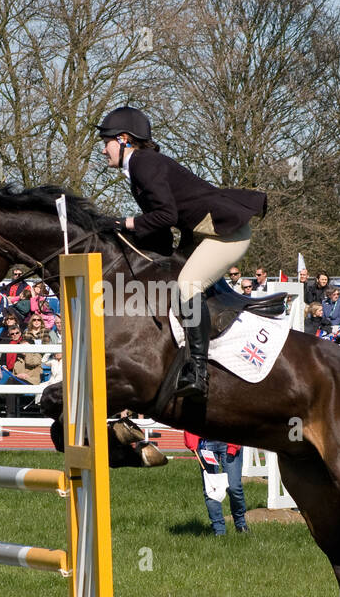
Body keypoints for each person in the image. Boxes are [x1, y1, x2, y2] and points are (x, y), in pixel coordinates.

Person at [98, 106, 266, 399]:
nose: (103, 151)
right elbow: (160, 229)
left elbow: (166, 216)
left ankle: (198, 371)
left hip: (225, 233)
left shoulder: (142, 164)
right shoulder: (139, 166)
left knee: (188, 286)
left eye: (106, 141)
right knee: (168, 274)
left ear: (124, 139)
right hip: (202, 233)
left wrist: (121, 222)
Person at [183, 431, 248, 536]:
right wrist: (191, 439)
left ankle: (240, 523)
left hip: (230, 441)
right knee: (211, 488)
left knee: (234, 487)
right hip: (206, 443)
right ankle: (219, 529)